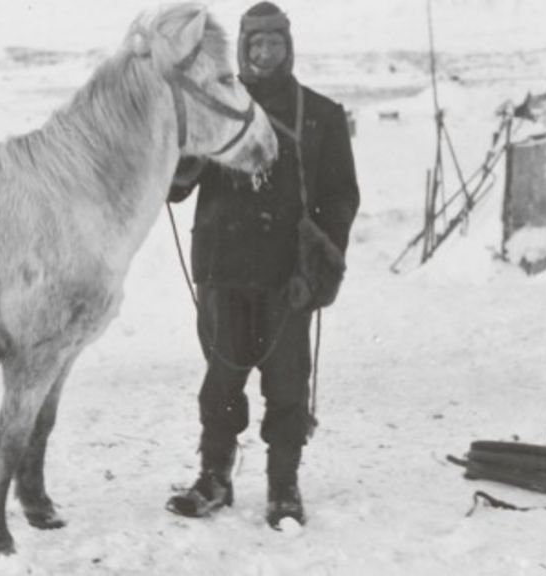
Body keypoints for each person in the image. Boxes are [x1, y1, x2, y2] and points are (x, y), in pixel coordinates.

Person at [165, 1, 359, 529]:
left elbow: (341, 197)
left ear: (288, 47)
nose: (266, 53)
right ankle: (214, 479)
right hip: (223, 270)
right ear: (244, 51)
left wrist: (320, 258)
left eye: (274, 44)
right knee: (222, 380)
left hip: (287, 277)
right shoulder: (219, 110)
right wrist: (183, 151)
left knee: (288, 383)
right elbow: (177, 189)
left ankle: (283, 487)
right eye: (256, 45)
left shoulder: (320, 115)